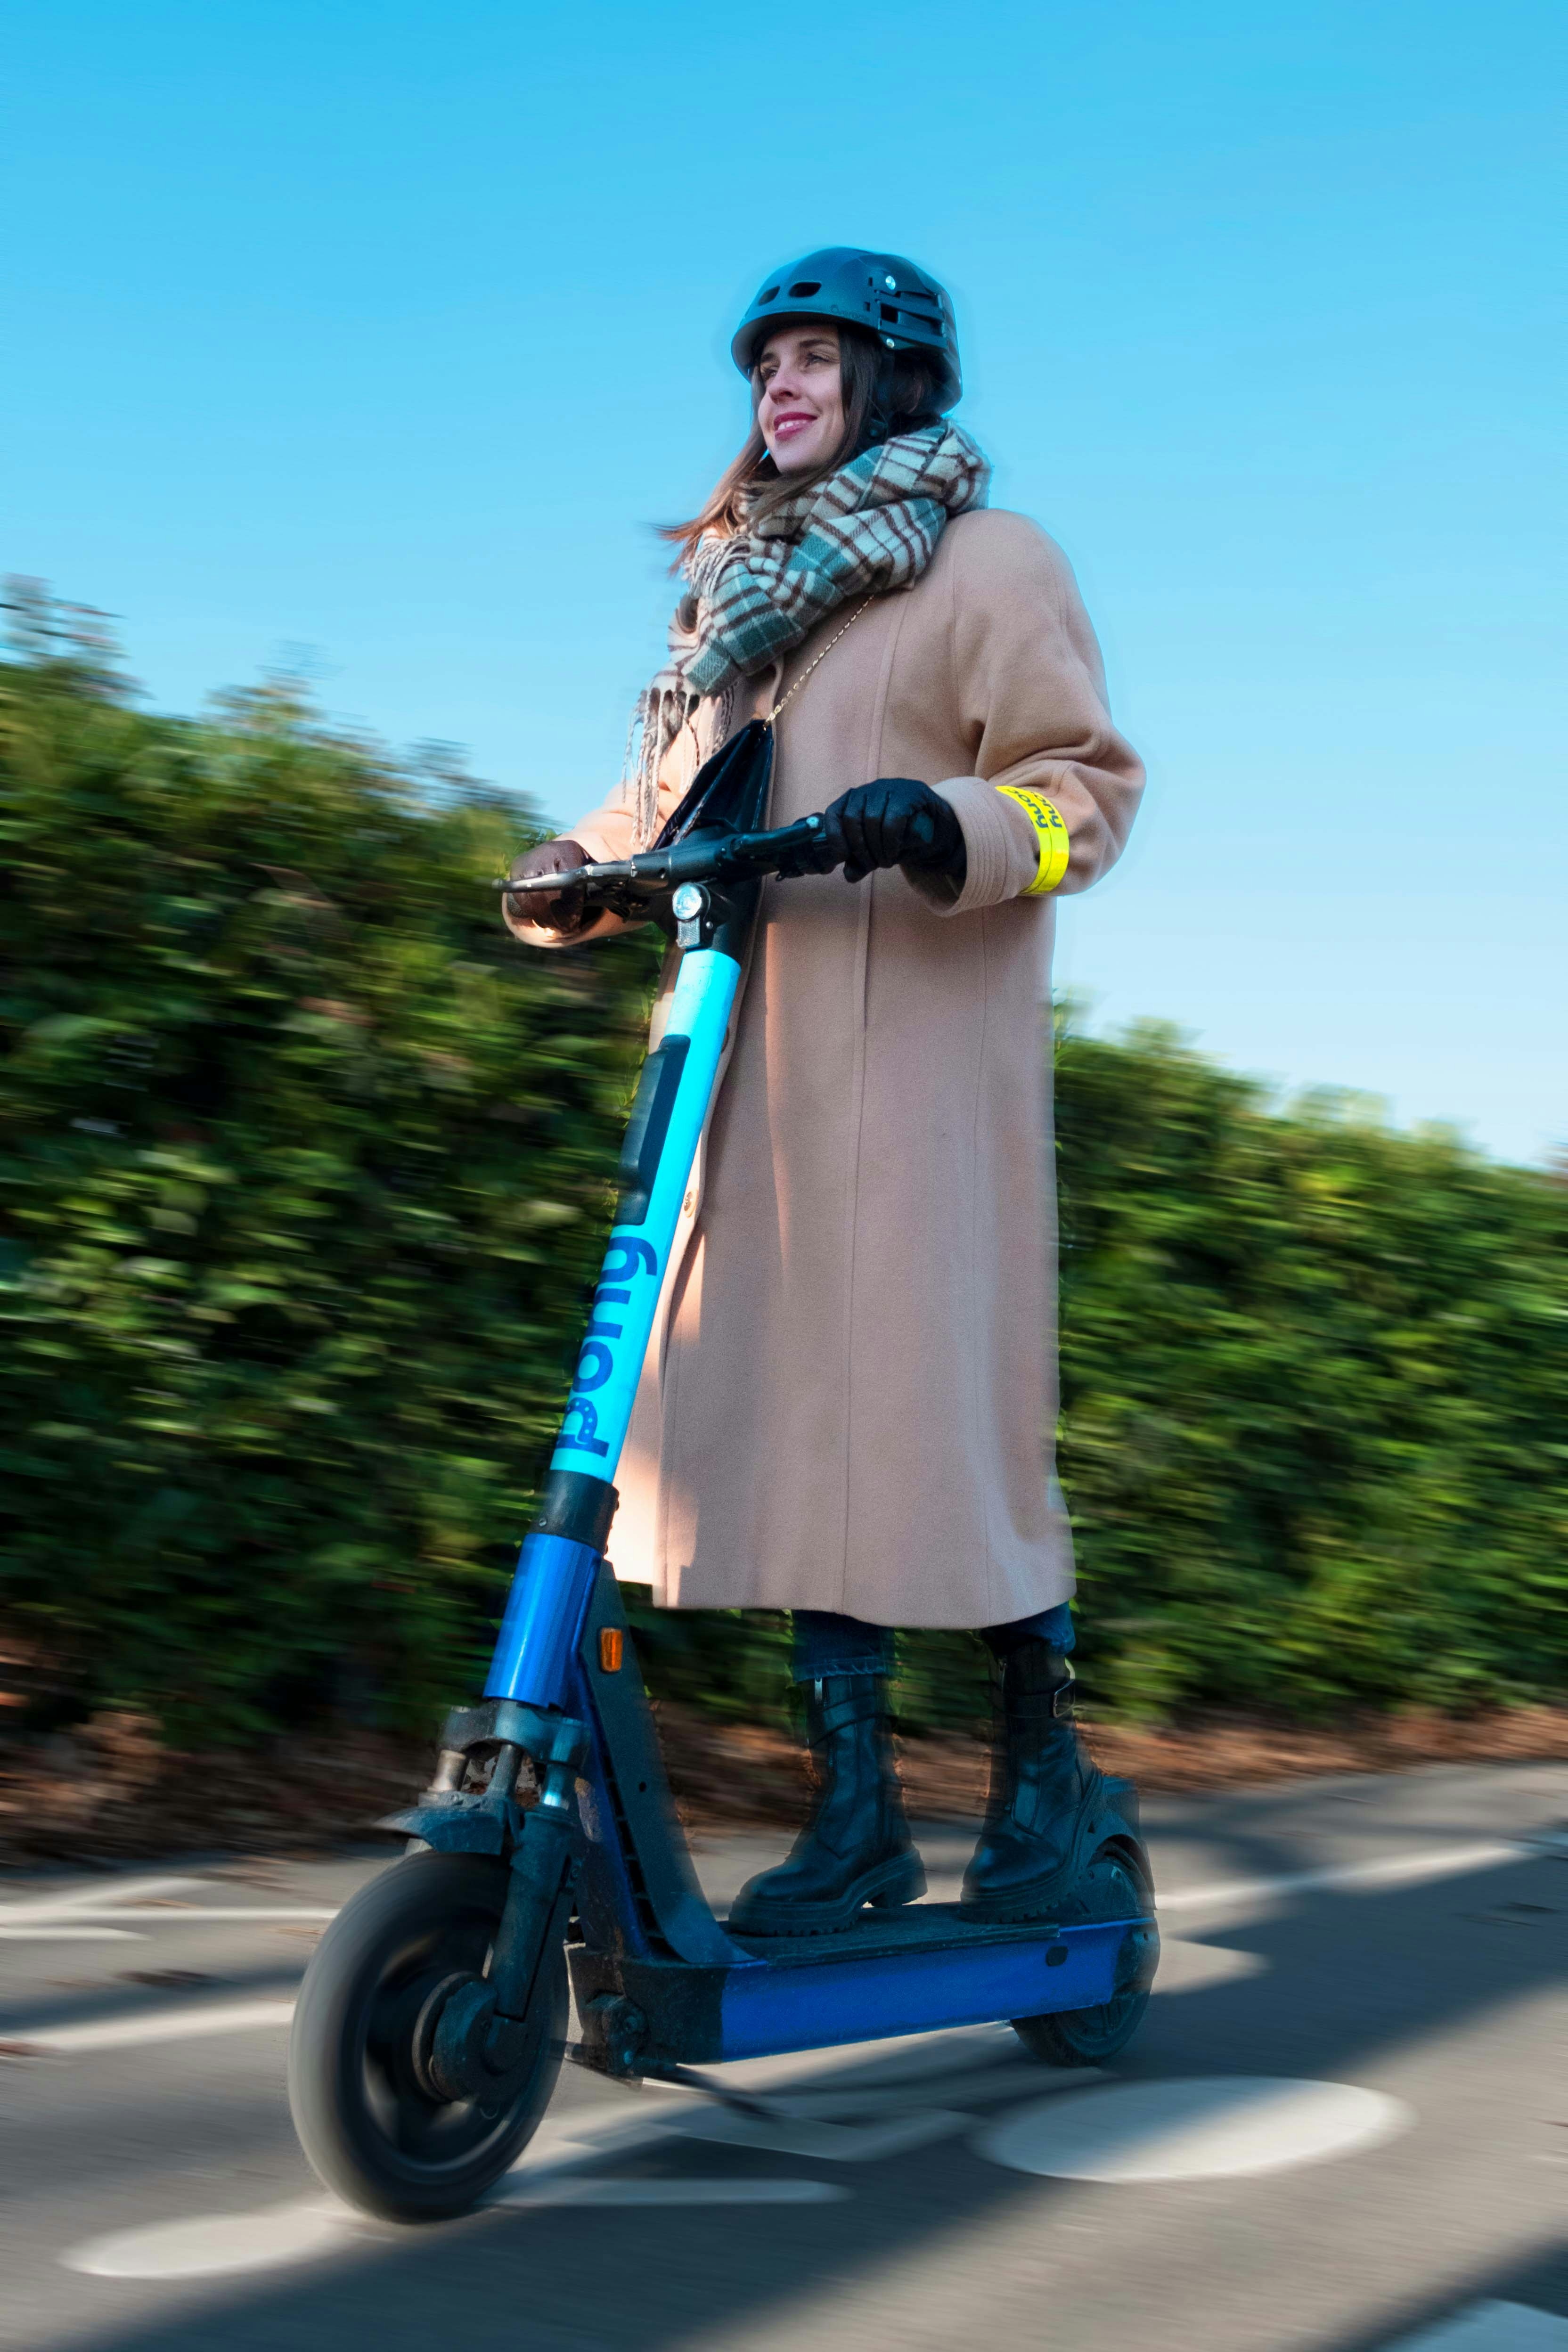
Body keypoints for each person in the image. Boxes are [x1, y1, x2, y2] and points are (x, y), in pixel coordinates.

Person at [505, 247, 1144, 1935]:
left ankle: (1044, 1779)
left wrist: (966, 825)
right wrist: (579, 858)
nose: (781, 387)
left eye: (816, 358)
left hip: (922, 1083)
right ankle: (853, 1814)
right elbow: (673, 798)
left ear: (897, 379)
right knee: (799, 1448)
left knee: (947, 1435)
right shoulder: (738, 597)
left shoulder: (988, 561)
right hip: (751, 1087)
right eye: (767, 364)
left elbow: (1089, 791)